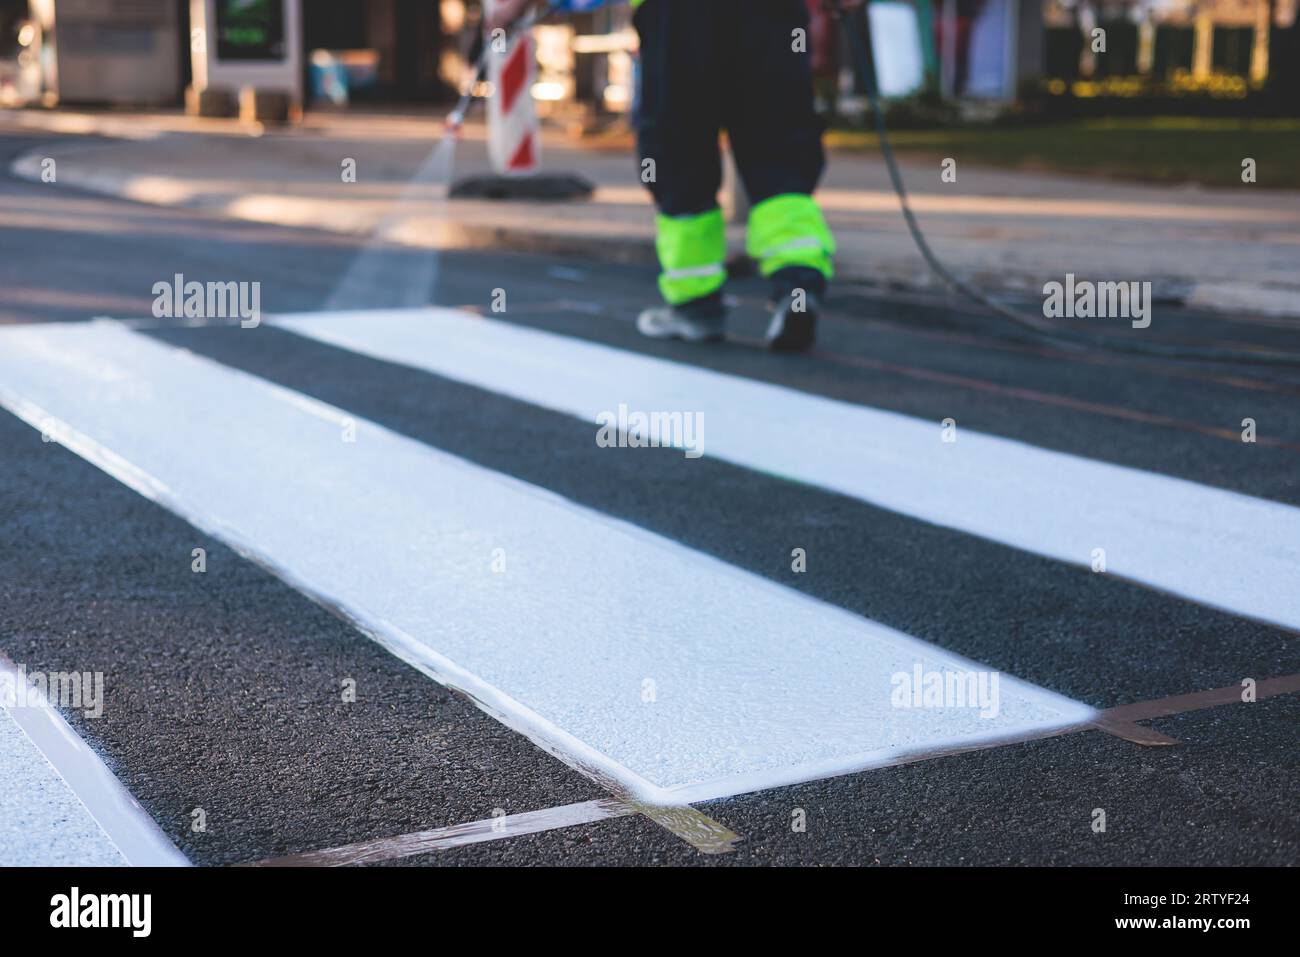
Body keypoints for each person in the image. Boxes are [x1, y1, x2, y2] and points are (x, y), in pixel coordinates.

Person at [489, 0, 849, 352]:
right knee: (779, 151)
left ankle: (696, 306)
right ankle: (798, 287)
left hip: (680, 17)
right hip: (771, 14)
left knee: (679, 154)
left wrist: (513, 6)